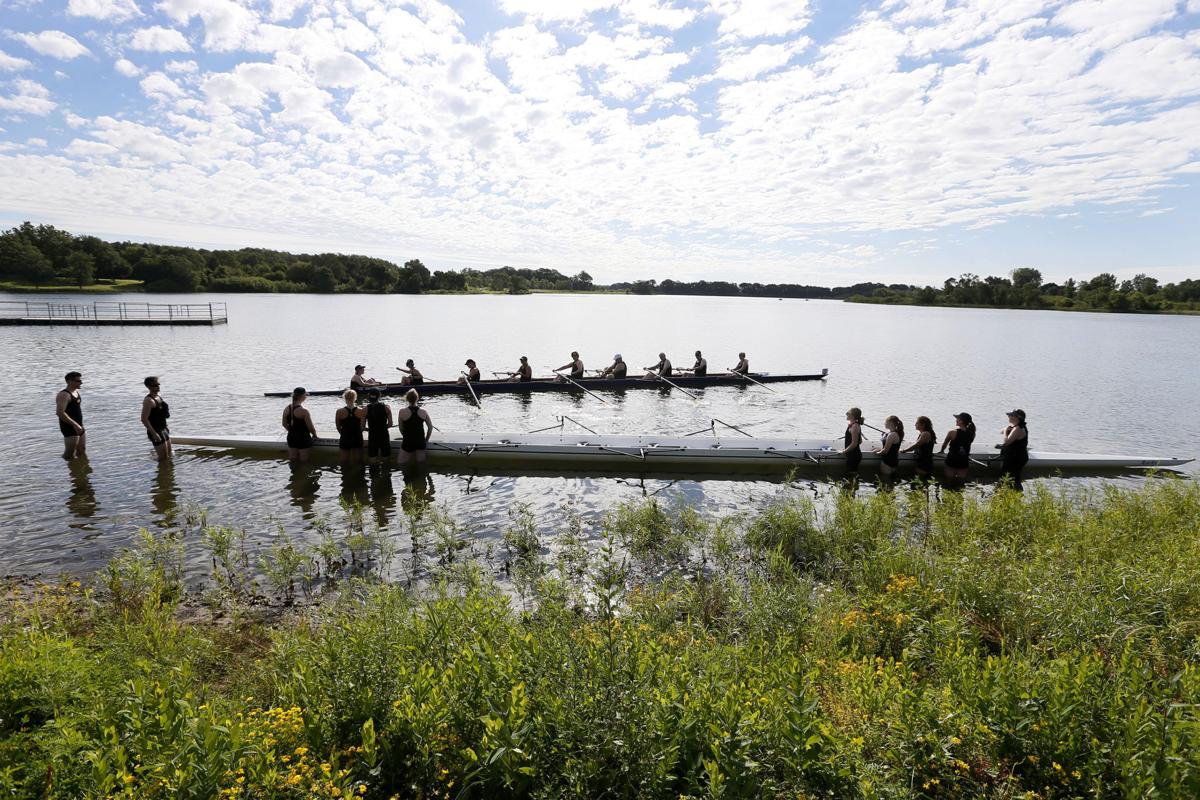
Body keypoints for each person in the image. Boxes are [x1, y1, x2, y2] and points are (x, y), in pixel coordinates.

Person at [396, 389, 433, 465]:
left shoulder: (402, 411)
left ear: (407, 399)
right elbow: (430, 427)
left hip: (408, 441)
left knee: (401, 464)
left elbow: (401, 428)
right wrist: (426, 440)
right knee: (421, 465)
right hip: (420, 441)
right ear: (417, 398)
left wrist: (405, 436)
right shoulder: (423, 411)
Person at [141, 376, 172, 461]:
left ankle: (166, 470)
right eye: (155, 385)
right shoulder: (148, 401)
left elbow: (160, 414)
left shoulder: (158, 396)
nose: (157, 387)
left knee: (169, 455)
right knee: (163, 458)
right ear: (148, 387)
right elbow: (144, 419)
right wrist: (154, 434)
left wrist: (166, 426)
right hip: (156, 430)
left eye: (158, 384)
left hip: (163, 428)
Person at [56, 371, 85, 459]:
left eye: (80, 380)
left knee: (82, 450)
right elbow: (60, 413)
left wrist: (79, 425)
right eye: (78, 381)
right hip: (69, 427)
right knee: (69, 454)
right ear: (69, 381)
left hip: (79, 425)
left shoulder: (76, 391)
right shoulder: (64, 395)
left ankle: (80, 467)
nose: (81, 383)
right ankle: (60, 466)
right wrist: (75, 425)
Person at [282, 386, 317, 461]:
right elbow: (311, 428)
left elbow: (284, 424)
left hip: (291, 437)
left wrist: (292, 432)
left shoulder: (287, 408)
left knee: (293, 460)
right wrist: (315, 435)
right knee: (304, 461)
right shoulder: (304, 411)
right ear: (303, 396)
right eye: (305, 395)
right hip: (303, 438)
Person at [940, 412, 976, 484]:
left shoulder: (952, 432)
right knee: (961, 482)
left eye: (957, 419)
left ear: (961, 421)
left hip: (952, 459)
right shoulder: (972, 433)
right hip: (964, 460)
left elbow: (945, 444)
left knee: (948, 481)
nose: (956, 420)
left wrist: (942, 451)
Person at [999, 409, 1029, 490]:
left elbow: (1006, 442)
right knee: (1012, 479)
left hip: (1015, 458)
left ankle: (1014, 493)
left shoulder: (1018, 429)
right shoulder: (1016, 427)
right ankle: (1013, 494)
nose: (1008, 417)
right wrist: (1007, 429)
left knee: (1012, 479)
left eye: (1011, 415)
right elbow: (1001, 431)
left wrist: (1006, 431)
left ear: (1017, 417)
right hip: (1014, 457)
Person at [335, 389, 366, 464]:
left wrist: (343, 433)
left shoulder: (339, 411)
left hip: (345, 436)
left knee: (344, 460)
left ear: (345, 398)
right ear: (355, 398)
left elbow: (338, 427)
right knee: (358, 460)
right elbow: (362, 427)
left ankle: (345, 471)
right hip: (357, 436)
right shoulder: (361, 411)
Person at [902, 416, 937, 480]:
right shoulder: (924, 433)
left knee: (921, 479)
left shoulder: (926, 434)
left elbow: (916, 445)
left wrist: (905, 450)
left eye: (917, 423)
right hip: (923, 460)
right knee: (920, 479)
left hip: (924, 461)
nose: (915, 425)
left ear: (923, 425)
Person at [365, 388, 394, 465]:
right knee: (386, 461)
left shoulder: (365, 409)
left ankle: (374, 472)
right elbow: (390, 424)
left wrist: (369, 429)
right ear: (379, 396)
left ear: (369, 396)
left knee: (372, 460)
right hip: (384, 435)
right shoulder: (386, 408)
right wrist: (383, 427)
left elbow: (362, 427)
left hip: (372, 436)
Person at [874, 415, 904, 481]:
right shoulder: (896, 433)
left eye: (886, 422)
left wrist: (877, 453)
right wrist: (880, 449)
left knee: (885, 480)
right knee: (891, 482)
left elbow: (885, 451)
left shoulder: (892, 435)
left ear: (891, 423)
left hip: (887, 461)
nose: (884, 423)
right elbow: (891, 448)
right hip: (893, 460)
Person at [839, 407, 863, 477]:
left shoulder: (855, 426)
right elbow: (860, 441)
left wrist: (844, 451)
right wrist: (847, 449)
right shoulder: (852, 425)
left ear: (853, 416)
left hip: (854, 456)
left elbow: (854, 443)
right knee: (848, 476)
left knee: (851, 476)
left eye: (848, 413)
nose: (846, 414)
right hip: (851, 454)